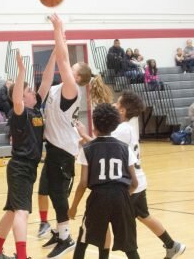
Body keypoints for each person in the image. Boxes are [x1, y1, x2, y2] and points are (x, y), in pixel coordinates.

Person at [76, 91, 186, 259]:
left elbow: (101, 146)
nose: (113, 104)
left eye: (116, 103)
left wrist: (83, 135)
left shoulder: (120, 130)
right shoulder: (126, 127)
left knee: (114, 220)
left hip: (128, 184)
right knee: (142, 215)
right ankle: (172, 245)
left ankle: (171, 245)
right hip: (134, 181)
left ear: (122, 111)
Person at [37, 14, 113, 258]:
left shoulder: (72, 89)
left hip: (64, 151)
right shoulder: (59, 87)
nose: (68, 67)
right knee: (46, 190)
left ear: (77, 77)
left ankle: (67, 238)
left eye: (72, 68)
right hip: (54, 148)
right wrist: (55, 48)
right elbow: (48, 76)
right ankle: (58, 233)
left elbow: (62, 58)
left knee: (59, 196)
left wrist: (58, 29)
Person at [0, 49, 55, 259]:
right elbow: (16, 98)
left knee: (12, 212)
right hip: (20, 167)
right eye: (28, 91)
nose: (33, 92)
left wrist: (56, 52)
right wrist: (22, 71)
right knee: (22, 212)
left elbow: (46, 80)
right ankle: (22, 256)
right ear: (22, 96)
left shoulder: (36, 110)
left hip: (29, 167)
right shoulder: (20, 112)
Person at [68, 103, 140, 259]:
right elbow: (135, 183)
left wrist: (73, 207)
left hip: (98, 198)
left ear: (94, 124)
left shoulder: (87, 149)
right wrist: (121, 195)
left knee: (83, 240)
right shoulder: (124, 148)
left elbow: (83, 183)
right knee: (129, 246)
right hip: (121, 197)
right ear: (114, 125)